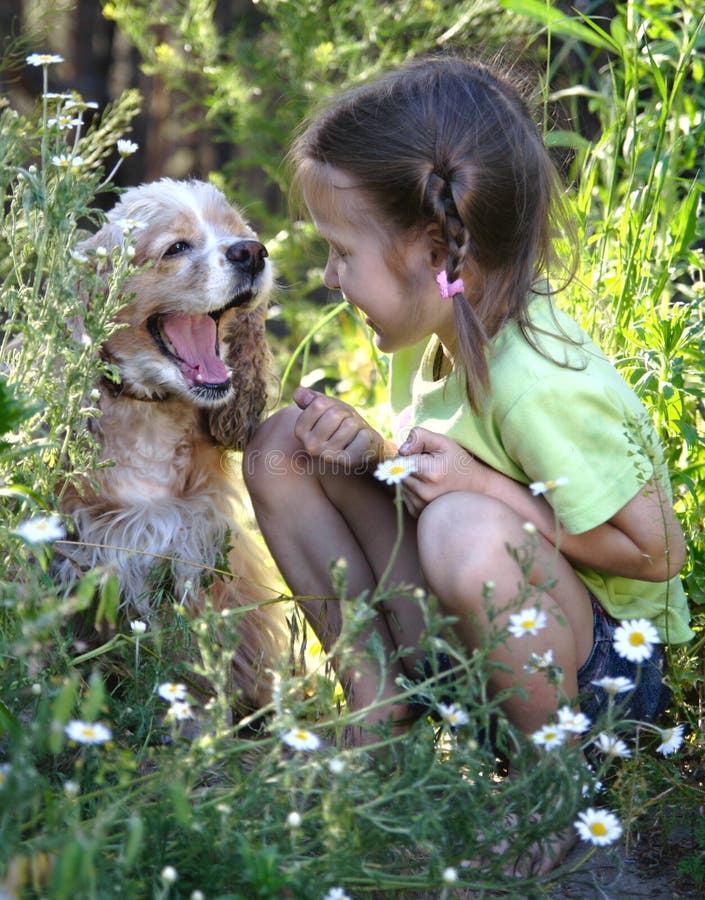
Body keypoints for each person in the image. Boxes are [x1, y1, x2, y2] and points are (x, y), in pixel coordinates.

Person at [245, 56, 691, 763]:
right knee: (282, 446)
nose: (329, 278)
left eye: (340, 253)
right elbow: (448, 486)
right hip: (482, 644)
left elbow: (659, 551)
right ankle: (377, 712)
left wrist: (479, 490)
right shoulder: (431, 333)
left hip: (597, 686)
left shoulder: (537, 380)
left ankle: (551, 786)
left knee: (462, 524)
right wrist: (376, 459)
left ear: (434, 255)